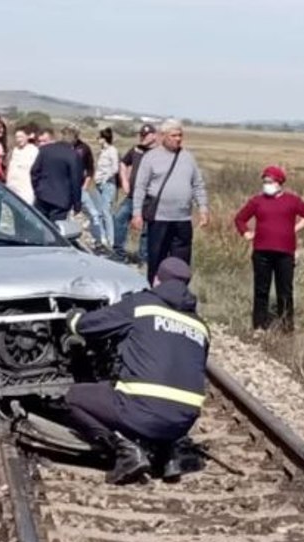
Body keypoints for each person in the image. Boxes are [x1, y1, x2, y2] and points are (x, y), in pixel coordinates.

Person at [58, 258, 208, 485]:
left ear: (156, 279)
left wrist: (72, 317)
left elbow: (87, 326)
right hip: (183, 422)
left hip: (141, 411)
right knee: (162, 402)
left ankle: (127, 451)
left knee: (72, 398)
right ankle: (170, 454)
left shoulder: (141, 305)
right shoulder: (200, 326)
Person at [233, 166, 304, 331]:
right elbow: (240, 219)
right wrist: (246, 233)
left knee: (285, 291)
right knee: (261, 290)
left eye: (270, 182)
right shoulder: (257, 201)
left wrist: (294, 228)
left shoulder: (292, 201)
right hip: (261, 253)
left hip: (285, 253)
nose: (266, 185)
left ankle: (286, 327)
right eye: (264, 182)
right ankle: (259, 325)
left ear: (279, 183)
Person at [132, 119, 210, 285]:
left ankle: (177, 295)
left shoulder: (188, 158)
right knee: (156, 260)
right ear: (162, 136)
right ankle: (154, 293)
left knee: (181, 263)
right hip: (159, 219)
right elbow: (140, 187)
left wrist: (203, 208)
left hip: (182, 219)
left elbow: (197, 184)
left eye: (180, 135)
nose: (178, 139)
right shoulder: (151, 158)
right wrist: (137, 213)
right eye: (174, 135)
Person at [114, 124, 159, 263]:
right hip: (132, 196)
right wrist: (124, 181)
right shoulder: (135, 150)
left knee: (147, 229)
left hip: (150, 198)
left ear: (154, 135)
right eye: (141, 135)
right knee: (119, 219)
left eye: (145, 135)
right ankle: (118, 255)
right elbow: (123, 163)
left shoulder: (160, 153)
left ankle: (143, 259)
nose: (142, 137)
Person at [30, 127, 84, 222]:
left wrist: (37, 189)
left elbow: (34, 172)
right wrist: (77, 205)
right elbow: (76, 182)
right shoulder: (73, 156)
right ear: (75, 139)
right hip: (61, 201)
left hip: (42, 197)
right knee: (55, 231)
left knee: (39, 226)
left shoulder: (45, 150)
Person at [95, 128, 121, 236]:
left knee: (106, 212)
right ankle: (102, 236)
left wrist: (105, 178)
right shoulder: (102, 151)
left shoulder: (112, 150)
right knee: (100, 211)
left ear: (104, 138)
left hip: (108, 184)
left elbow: (115, 168)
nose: (97, 140)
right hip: (99, 183)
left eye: (99, 137)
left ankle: (111, 238)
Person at [6, 129, 38, 204]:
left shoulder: (33, 151)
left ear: (27, 137)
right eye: (17, 137)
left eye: (21, 137)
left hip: (26, 189)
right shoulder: (14, 150)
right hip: (13, 187)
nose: (19, 139)